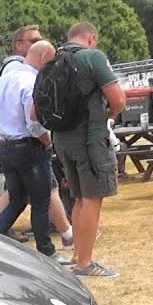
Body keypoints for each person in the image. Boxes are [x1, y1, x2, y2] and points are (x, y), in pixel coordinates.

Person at [0, 40, 71, 264]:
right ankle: (47, 252)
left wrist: (1, 138)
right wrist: (47, 143)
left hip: (7, 148)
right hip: (29, 146)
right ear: (43, 59)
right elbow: (34, 122)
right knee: (40, 201)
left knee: (16, 199)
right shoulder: (32, 81)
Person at [51, 22, 125, 279]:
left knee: (80, 197)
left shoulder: (54, 60)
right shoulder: (93, 57)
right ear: (92, 38)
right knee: (92, 198)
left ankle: (78, 256)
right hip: (90, 138)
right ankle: (85, 263)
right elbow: (118, 100)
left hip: (62, 140)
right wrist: (107, 116)